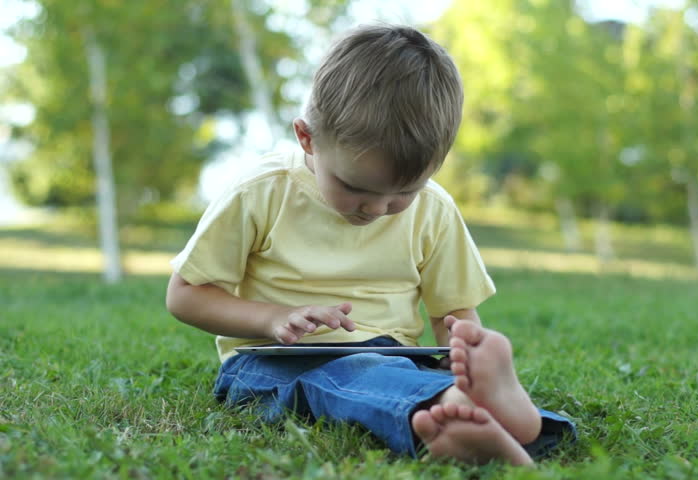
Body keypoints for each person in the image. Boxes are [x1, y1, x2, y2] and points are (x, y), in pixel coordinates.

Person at [165, 24, 575, 465]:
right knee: (342, 381)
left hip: (394, 357)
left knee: (389, 374)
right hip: (271, 359)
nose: (378, 209)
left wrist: (464, 354)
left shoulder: (434, 209)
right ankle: (452, 411)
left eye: (405, 191)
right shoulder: (262, 192)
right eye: (355, 187)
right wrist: (273, 318)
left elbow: (452, 313)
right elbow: (186, 295)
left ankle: (483, 414)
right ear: (307, 138)